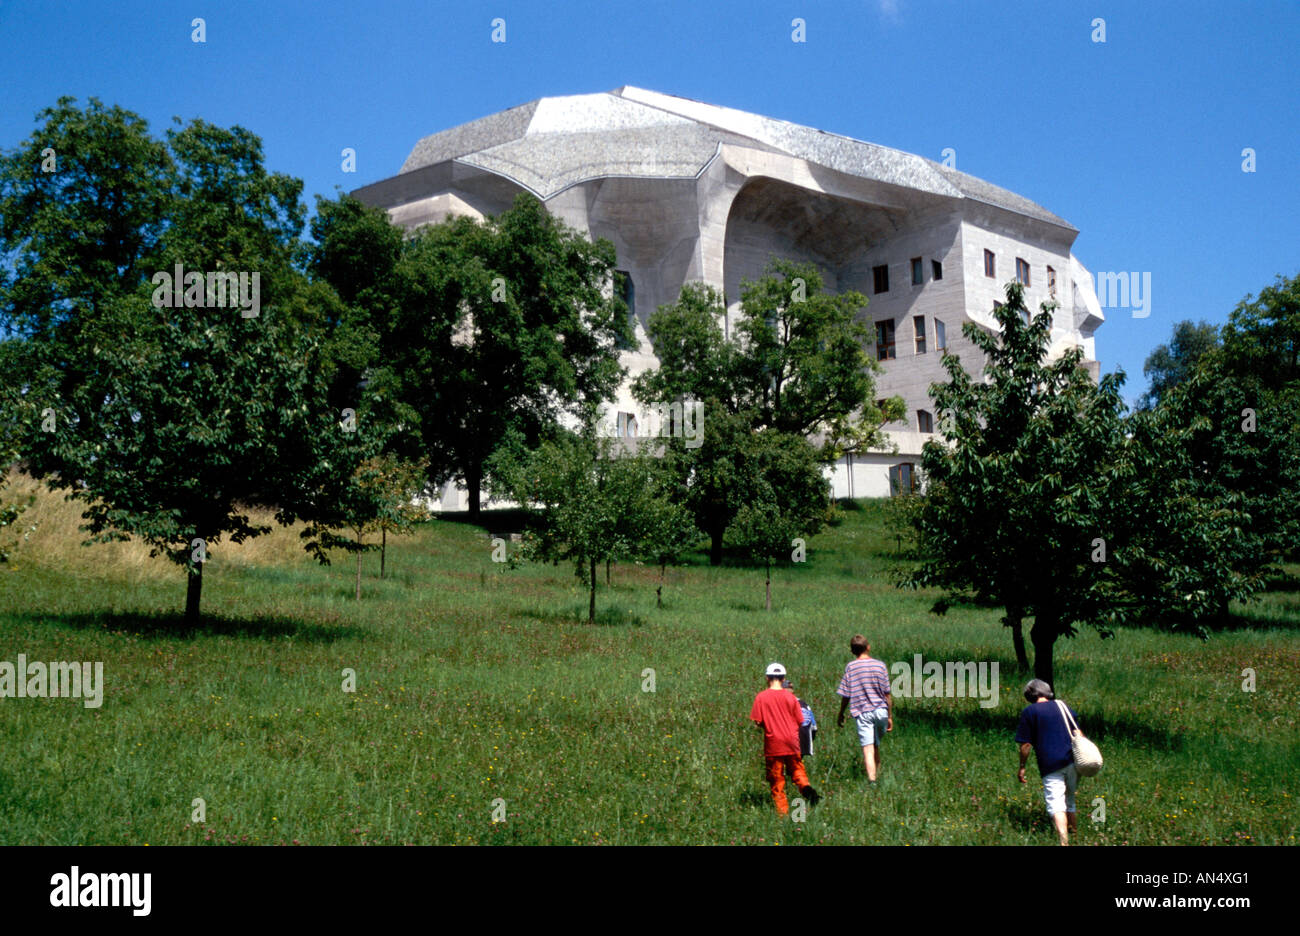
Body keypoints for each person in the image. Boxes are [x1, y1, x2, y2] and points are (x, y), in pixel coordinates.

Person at [1015, 679, 1081, 846]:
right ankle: (1075, 835)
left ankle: (1064, 842)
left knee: (1056, 804)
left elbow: (1026, 745)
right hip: (1073, 761)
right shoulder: (1063, 706)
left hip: (1050, 764)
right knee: (1070, 801)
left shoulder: (1030, 712)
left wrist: (1022, 767)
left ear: (1030, 694)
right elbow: (1077, 731)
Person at [750, 663, 819, 815]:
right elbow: (800, 720)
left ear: (767, 678)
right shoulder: (791, 697)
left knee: (777, 779)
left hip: (774, 743)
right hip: (793, 742)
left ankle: (783, 814)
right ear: (783, 679)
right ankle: (805, 788)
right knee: (797, 769)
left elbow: (758, 721)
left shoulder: (761, 697)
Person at [836, 634, 892, 782]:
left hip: (862, 713)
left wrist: (841, 713)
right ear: (868, 647)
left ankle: (872, 781)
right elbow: (887, 695)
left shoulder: (851, 667)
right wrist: (890, 716)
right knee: (875, 745)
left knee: (868, 749)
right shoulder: (880, 665)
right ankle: (877, 775)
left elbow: (846, 694)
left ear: (852, 651)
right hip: (881, 712)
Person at [782, 678, 818, 757]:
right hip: (804, 744)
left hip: (788, 745)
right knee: (797, 767)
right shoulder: (804, 704)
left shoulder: (781, 704)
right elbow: (814, 727)